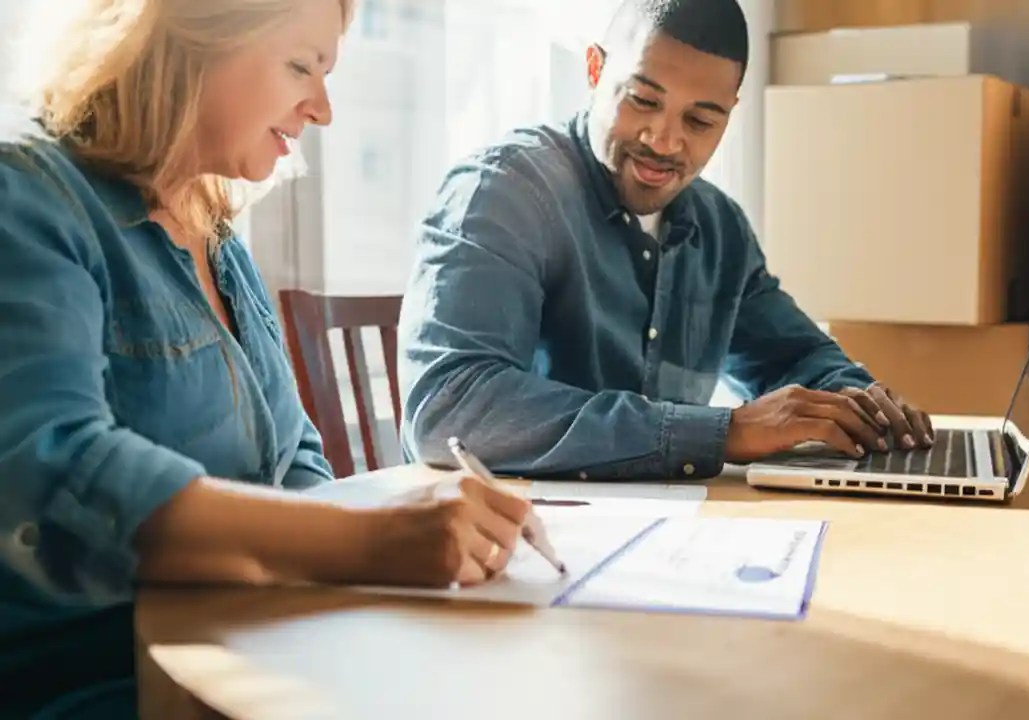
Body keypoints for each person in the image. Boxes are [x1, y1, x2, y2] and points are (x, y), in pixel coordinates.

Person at [0, 2, 529, 717]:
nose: (324, 109)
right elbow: (57, 471)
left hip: (253, 651)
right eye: (301, 66)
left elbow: (296, 460)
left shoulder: (214, 231)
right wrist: (371, 541)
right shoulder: (28, 196)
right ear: (190, 36)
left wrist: (410, 528)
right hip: (101, 681)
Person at [400, 0, 935, 480]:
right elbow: (448, 409)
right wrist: (722, 432)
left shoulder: (719, 227)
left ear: (728, 116)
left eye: (701, 120)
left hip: (670, 531)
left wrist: (852, 402)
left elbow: (791, 355)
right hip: (512, 543)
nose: (664, 140)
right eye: (642, 100)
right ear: (595, 69)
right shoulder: (503, 193)